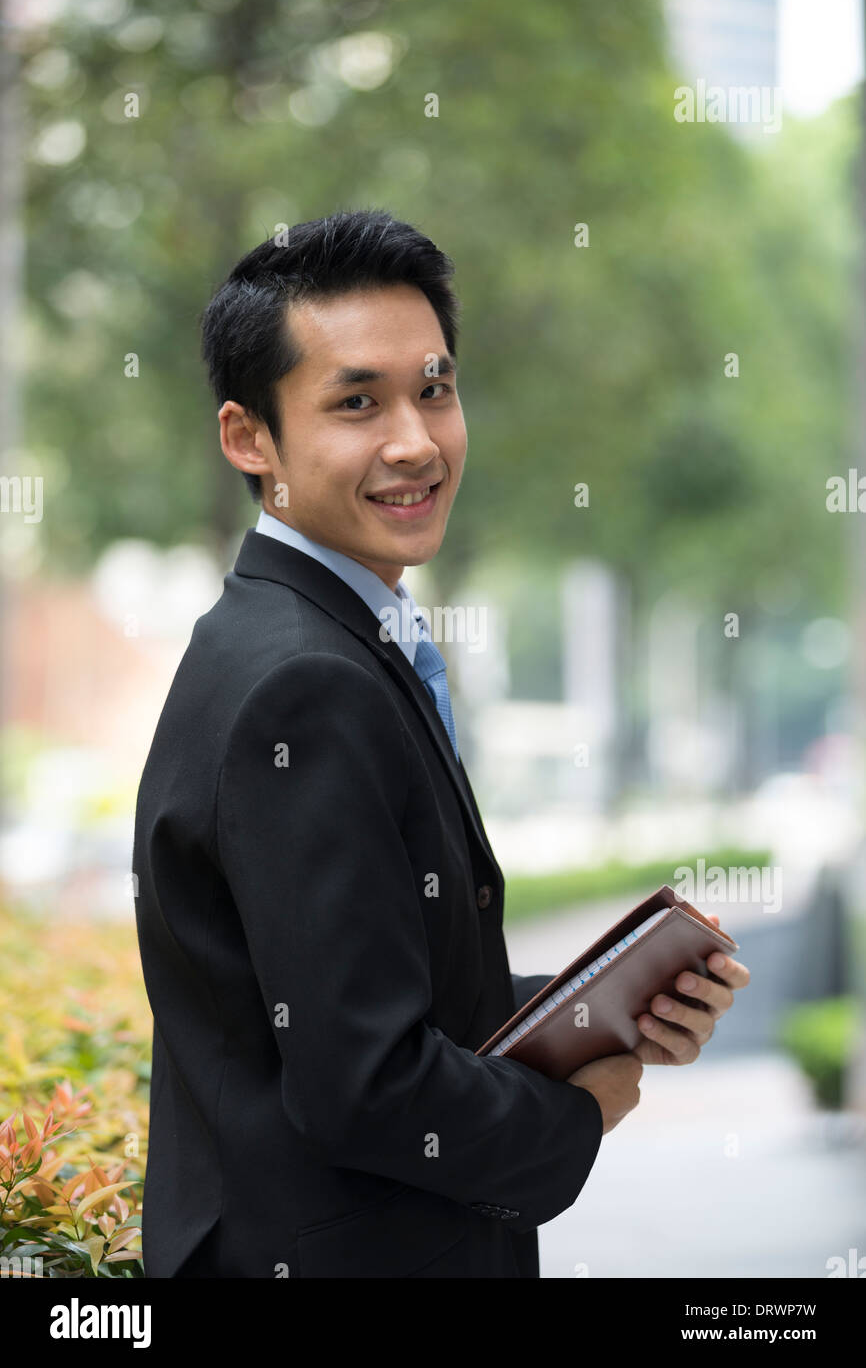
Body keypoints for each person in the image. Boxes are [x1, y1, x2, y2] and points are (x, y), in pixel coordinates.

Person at [132, 208, 750, 1278]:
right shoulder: (306, 686)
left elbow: (350, 988)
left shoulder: (297, 636)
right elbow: (362, 1084)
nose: (415, 441)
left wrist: (603, 1012)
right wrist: (576, 1112)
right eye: (355, 402)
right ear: (248, 438)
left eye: (433, 388)